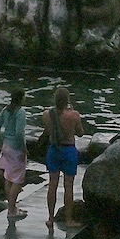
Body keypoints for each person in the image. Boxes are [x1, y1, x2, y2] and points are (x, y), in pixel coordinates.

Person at [42, 85, 84, 227]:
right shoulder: (74, 115)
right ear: (67, 100)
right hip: (69, 151)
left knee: (52, 184)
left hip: (54, 150)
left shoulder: (47, 114)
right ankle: (68, 220)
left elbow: (48, 131)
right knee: (68, 186)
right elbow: (80, 133)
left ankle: (50, 218)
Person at [0, 88, 29, 220]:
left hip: (6, 147)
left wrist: (1, 143)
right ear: (21, 98)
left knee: (8, 177)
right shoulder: (21, 112)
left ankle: (11, 207)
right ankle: (12, 210)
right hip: (16, 149)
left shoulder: (5, 110)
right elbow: (19, 133)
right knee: (18, 179)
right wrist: (23, 149)